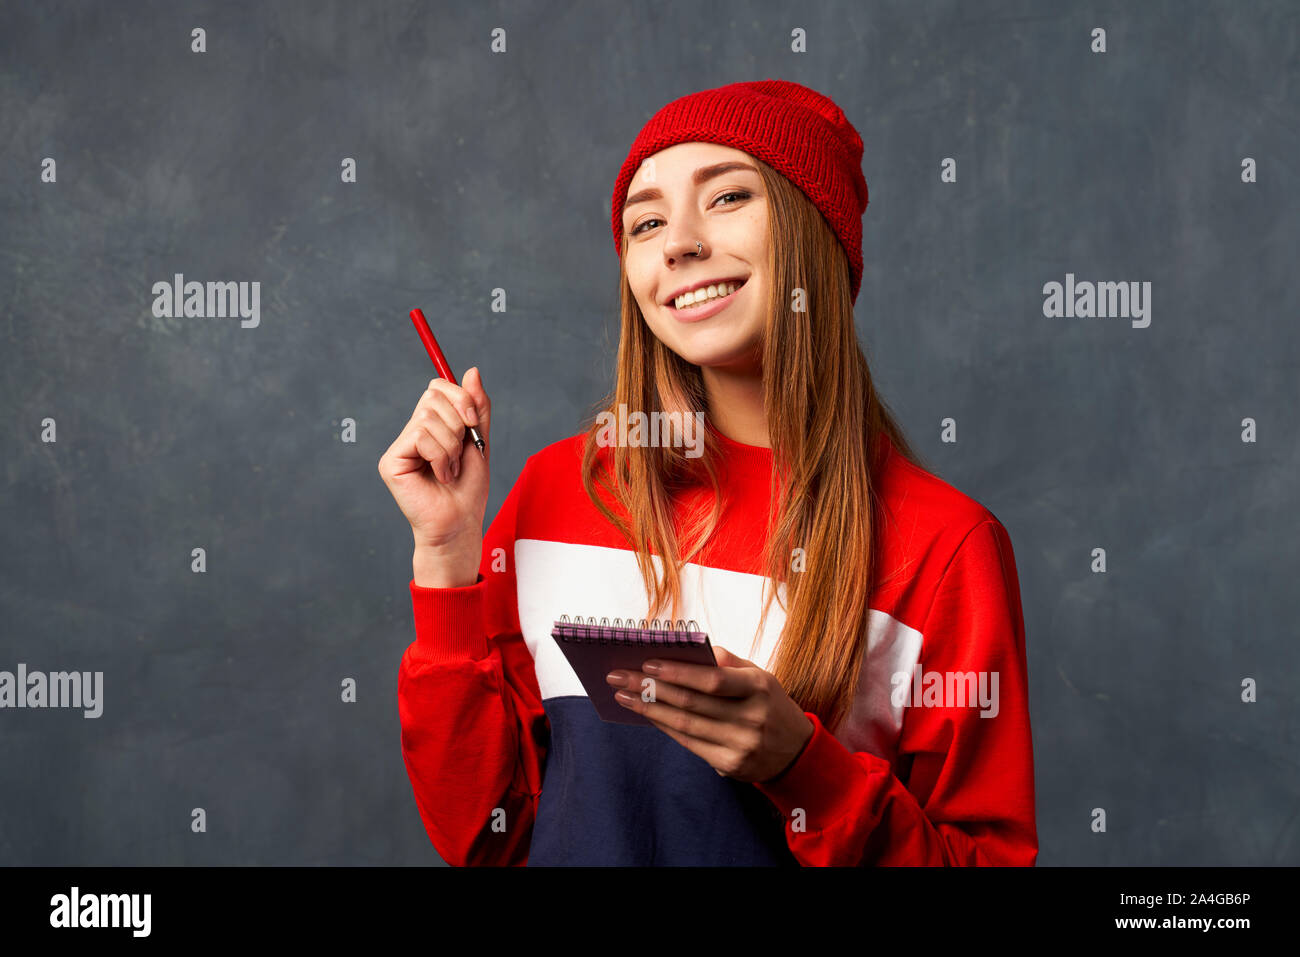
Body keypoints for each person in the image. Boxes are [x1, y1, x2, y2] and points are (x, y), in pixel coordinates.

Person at [378, 79, 1038, 866]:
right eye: (646, 222)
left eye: (727, 197)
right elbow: (487, 836)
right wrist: (447, 556)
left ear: (814, 233)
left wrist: (807, 769)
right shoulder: (556, 491)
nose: (677, 243)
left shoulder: (946, 547)